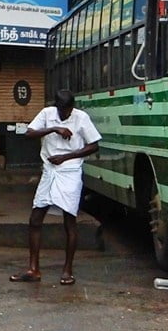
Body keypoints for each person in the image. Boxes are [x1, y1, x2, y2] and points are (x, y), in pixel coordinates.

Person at [10, 88, 101, 286]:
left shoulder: (81, 118)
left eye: (68, 111)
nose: (65, 114)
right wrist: (53, 129)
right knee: (35, 218)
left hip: (70, 173)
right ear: (56, 107)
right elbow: (29, 134)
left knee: (69, 220)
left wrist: (66, 157)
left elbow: (94, 145)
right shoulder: (47, 114)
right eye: (62, 111)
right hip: (49, 171)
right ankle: (33, 269)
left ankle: (67, 270)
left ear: (72, 107)